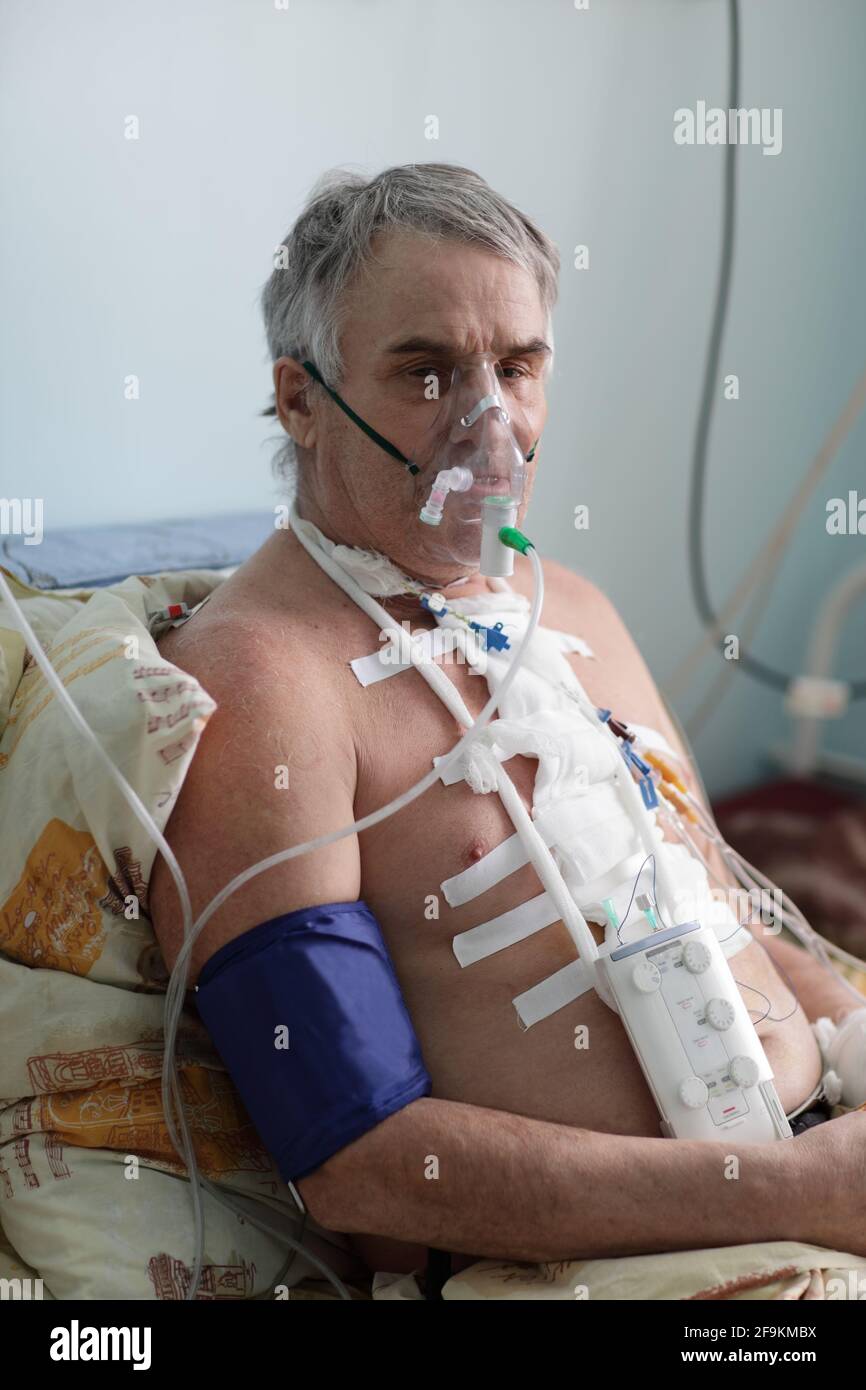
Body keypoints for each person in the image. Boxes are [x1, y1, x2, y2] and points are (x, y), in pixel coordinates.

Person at [151, 164, 866, 1280]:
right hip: (585, 1268)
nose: (490, 423)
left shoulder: (569, 607)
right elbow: (352, 1151)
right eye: (426, 373)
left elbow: (721, 915)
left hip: (812, 1168)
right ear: (300, 400)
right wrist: (800, 1192)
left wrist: (847, 1040)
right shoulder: (263, 683)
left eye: (517, 366)